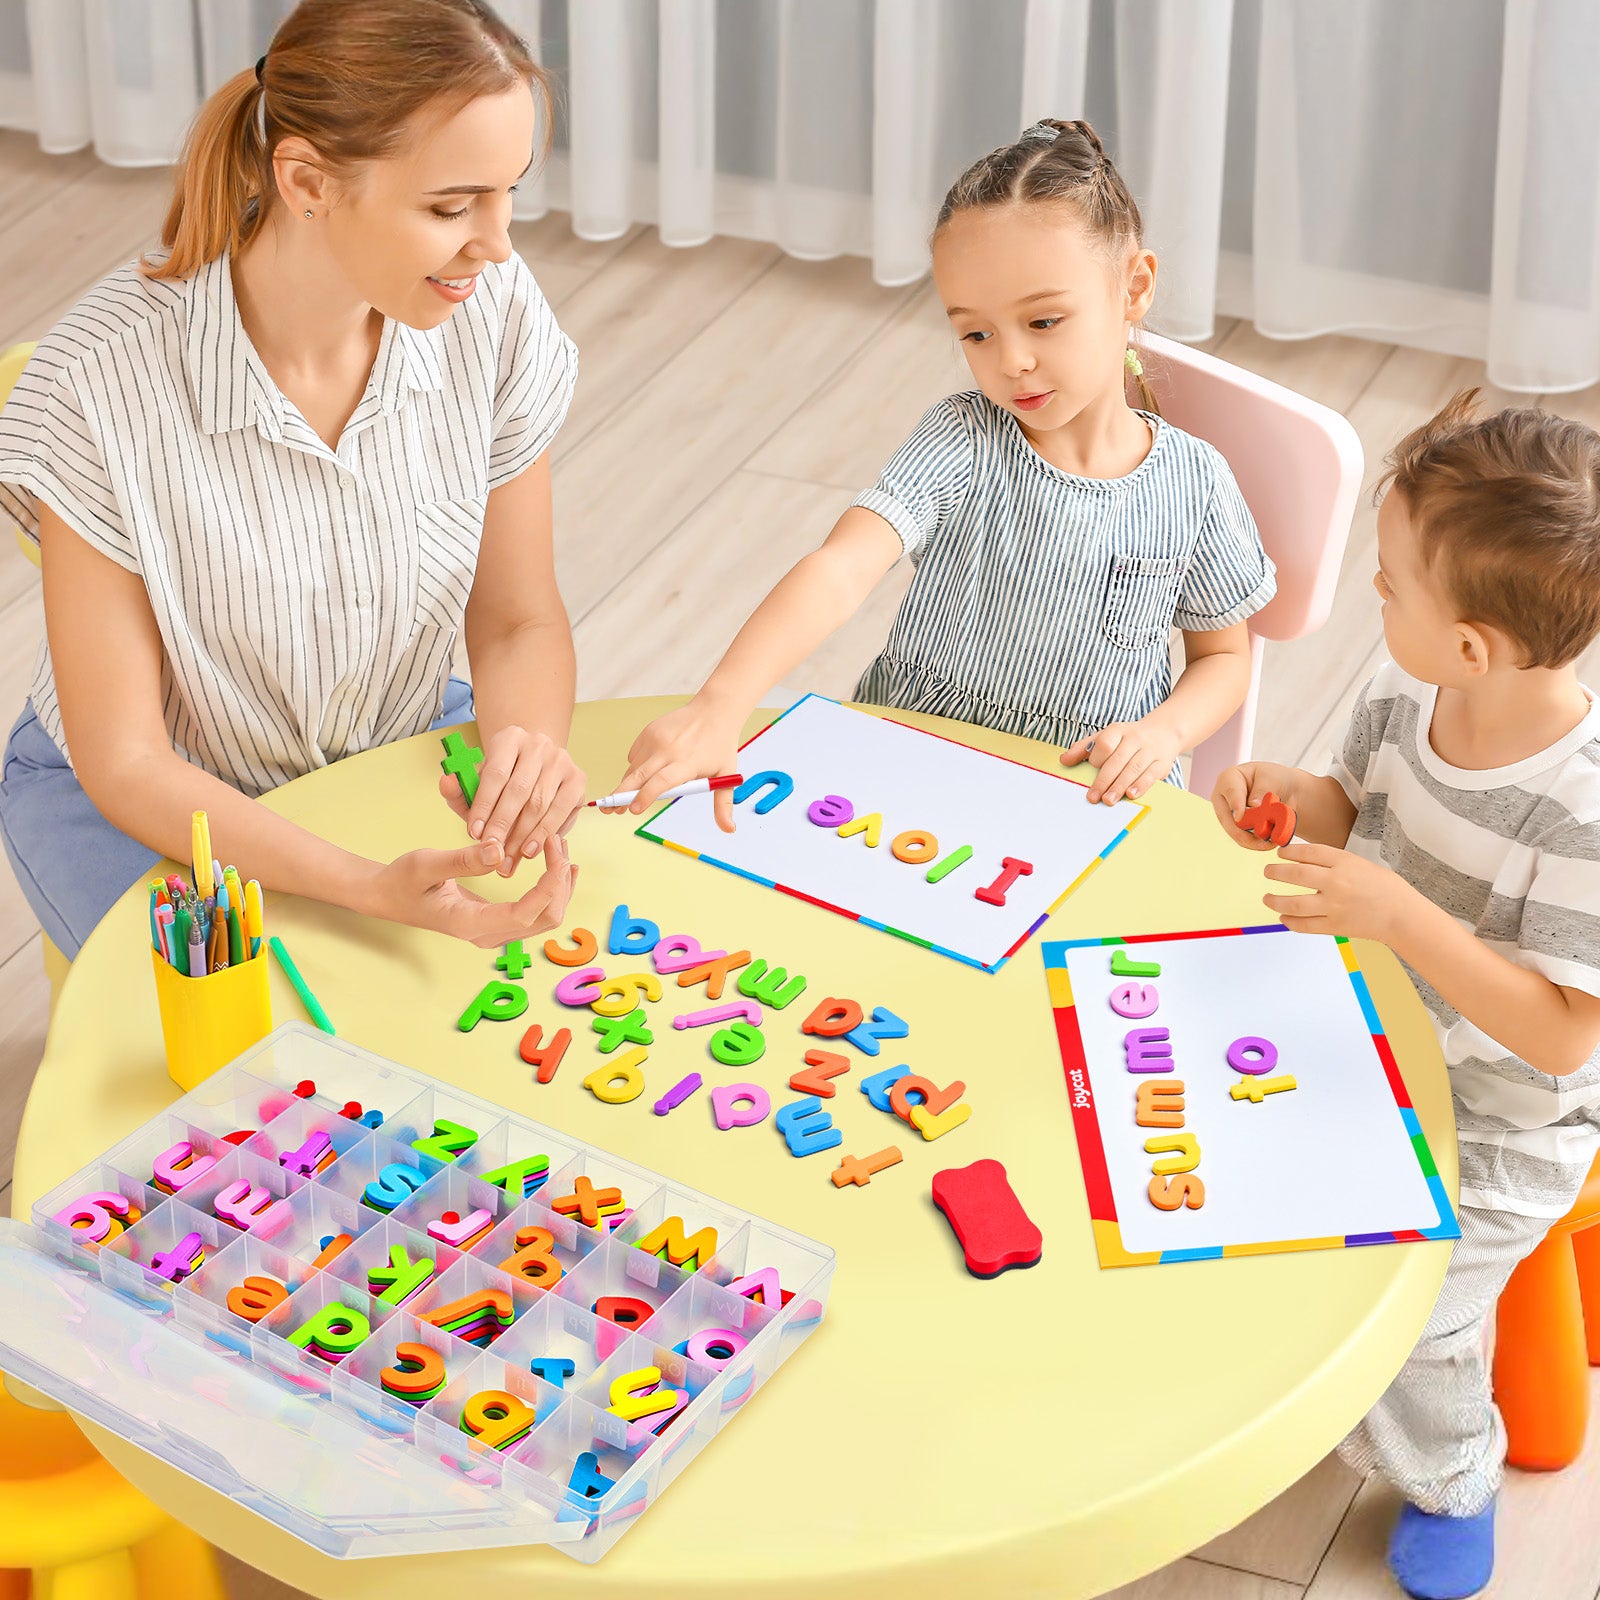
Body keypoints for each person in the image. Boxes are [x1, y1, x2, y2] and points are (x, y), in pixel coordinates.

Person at [0, 0, 583, 958]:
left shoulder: (495, 311)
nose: (498, 243)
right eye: (451, 206)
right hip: (151, 799)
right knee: (256, 1070)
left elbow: (519, 618)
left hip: (381, 740)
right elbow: (127, 760)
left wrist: (524, 752)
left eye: (509, 191)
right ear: (308, 180)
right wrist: (366, 888)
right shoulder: (100, 383)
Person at [608, 118, 1275, 828]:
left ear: (1134, 287)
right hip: (908, 774)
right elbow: (841, 567)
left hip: (1086, 798)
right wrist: (719, 705)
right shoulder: (963, 437)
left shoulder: (1196, 483)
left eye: (1043, 322)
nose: (1010, 360)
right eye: (976, 333)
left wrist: (1164, 733)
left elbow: (1223, 656)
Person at [1213, 393, 1600, 1600]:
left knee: (1412, 1315)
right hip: (1364, 1037)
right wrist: (1287, 796)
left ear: (1475, 643)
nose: (1374, 602)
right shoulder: (1403, 693)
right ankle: (1278, 1389)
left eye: (1388, 584)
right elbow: (1353, 802)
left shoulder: (1577, 805)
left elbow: (1560, 1036)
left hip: (1501, 1123)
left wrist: (1402, 918)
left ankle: (1453, 1473)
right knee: (1201, 1172)